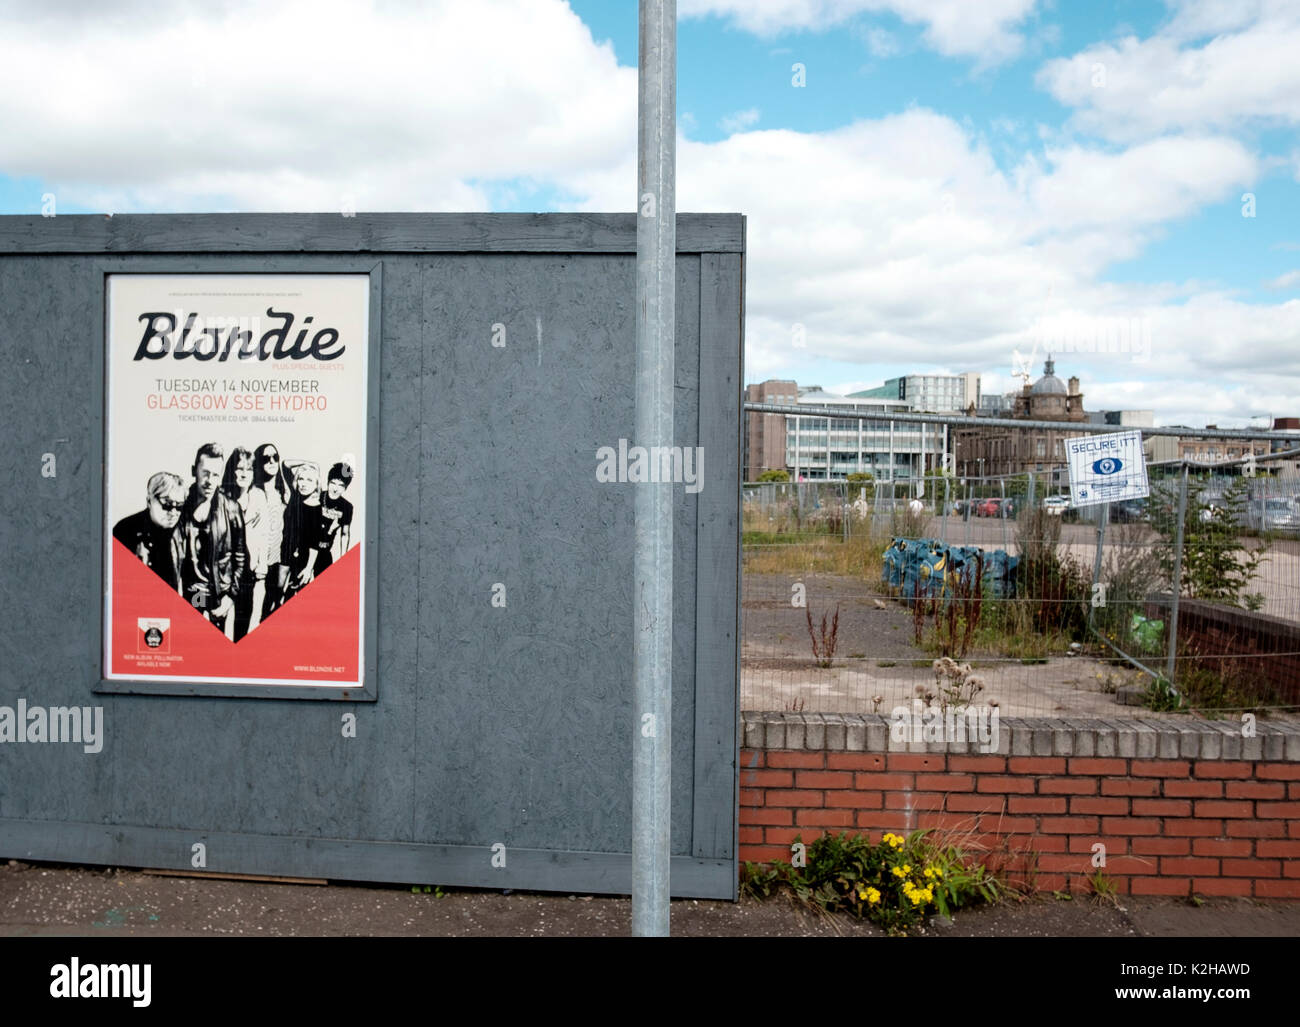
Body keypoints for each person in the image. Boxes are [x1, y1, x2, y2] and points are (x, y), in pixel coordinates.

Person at [172, 442, 246, 639]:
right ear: (193, 471)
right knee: (191, 640)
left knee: (215, 644)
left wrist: (231, 596)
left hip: (219, 591)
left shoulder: (231, 508)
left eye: (215, 475)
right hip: (193, 591)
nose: (209, 481)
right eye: (205, 473)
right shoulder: (178, 506)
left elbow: (240, 556)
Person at [221, 447, 269, 641]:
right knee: (221, 614)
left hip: (249, 566)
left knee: (244, 612)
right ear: (231, 470)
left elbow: (265, 533)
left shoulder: (258, 496)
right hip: (225, 566)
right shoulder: (222, 496)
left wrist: (262, 563)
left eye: (249, 469)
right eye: (239, 468)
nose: (243, 473)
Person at [112, 471, 186, 588]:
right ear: (149, 501)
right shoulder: (125, 530)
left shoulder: (183, 532)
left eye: (179, 506)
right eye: (167, 504)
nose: (173, 513)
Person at [253, 442, 292, 620]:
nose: (271, 462)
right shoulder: (253, 492)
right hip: (257, 559)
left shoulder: (284, 492)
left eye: (275, 457)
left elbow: (288, 464)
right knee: (252, 608)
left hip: (278, 557)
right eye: (265, 458)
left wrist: (282, 462)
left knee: (272, 606)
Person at [280, 460, 329, 604]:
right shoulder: (294, 497)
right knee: (276, 593)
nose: (304, 483)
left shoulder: (316, 508)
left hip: (303, 557)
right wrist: (309, 463)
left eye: (309, 480)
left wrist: (309, 568)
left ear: (316, 486)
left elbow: (314, 543)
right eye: (301, 478)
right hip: (285, 551)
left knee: (296, 598)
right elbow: (285, 464)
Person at [321, 461, 355, 561]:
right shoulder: (318, 496)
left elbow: (345, 534)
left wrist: (343, 558)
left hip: (325, 550)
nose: (335, 489)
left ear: (345, 488)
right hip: (307, 549)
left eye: (341, 485)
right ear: (328, 482)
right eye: (333, 483)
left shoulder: (347, 507)